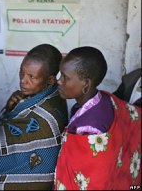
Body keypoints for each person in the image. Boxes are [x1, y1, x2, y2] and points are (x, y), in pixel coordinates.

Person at [55, 46, 141, 189]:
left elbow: (94, 179)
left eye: (65, 77)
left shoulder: (91, 127)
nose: (59, 81)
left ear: (86, 84)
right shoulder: (105, 101)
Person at [0, 44, 68, 190]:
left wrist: (11, 112)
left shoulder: (48, 110)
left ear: (50, 80)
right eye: (21, 73)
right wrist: (10, 108)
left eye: (32, 77)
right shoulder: (44, 94)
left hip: (38, 178)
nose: (23, 81)